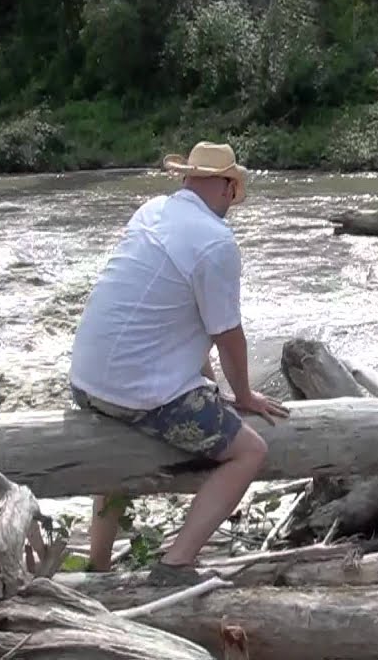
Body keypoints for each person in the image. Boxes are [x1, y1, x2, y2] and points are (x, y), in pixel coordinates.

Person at [68, 141, 290, 585]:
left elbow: (170, 321)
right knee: (250, 451)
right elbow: (227, 334)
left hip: (86, 381)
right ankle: (176, 563)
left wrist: (207, 384)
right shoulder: (216, 242)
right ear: (228, 187)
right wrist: (243, 396)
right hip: (137, 393)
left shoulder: (151, 211)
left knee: (118, 456)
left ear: (187, 179)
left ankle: (99, 563)